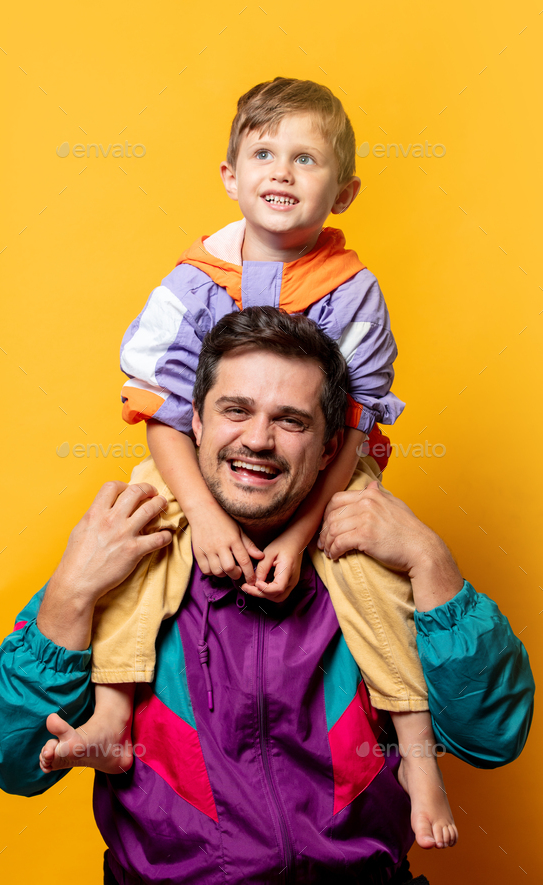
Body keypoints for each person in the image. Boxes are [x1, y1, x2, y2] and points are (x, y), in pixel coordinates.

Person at [0, 310, 534, 884]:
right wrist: (69, 590)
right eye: (235, 410)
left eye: (290, 420)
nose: (258, 440)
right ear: (194, 421)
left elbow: (493, 736)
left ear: (329, 448)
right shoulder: (130, 564)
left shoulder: (375, 574)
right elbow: (12, 761)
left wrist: (432, 562)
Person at [83, 77, 454, 848]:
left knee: (372, 573)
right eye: (263, 153)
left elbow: (355, 424)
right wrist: (208, 517)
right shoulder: (191, 281)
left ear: (344, 192)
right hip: (194, 466)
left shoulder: (352, 291)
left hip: (322, 475)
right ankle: (113, 708)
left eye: (306, 158)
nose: (281, 171)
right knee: (139, 540)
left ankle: (418, 755)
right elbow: (155, 405)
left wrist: (302, 533)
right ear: (230, 175)